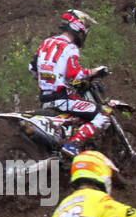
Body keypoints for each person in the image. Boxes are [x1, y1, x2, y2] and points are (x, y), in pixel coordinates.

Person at [29, 9, 112, 154]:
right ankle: (73, 144)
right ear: (77, 26)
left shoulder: (47, 42)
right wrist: (96, 71)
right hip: (61, 99)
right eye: (85, 26)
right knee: (101, 113)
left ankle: (63, 144)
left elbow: (32, 68)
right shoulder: (70, 47)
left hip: (44, 98)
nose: (85, 30)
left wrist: (49, 79)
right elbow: (76, 73)